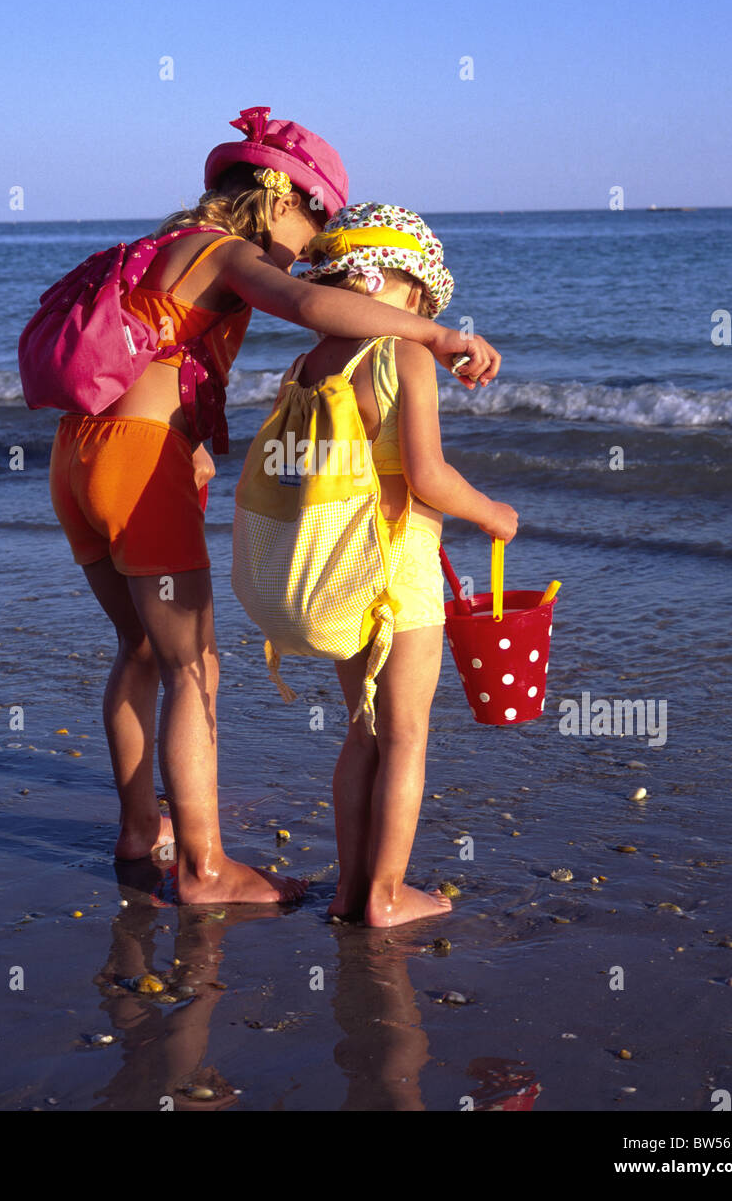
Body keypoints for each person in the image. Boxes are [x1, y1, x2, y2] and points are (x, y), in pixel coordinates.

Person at [48, 109, 503, 905]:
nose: (313, 240)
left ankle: (137, 829)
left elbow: (153, 359)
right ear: (276, 193)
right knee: (195, 667)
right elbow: (316, 308)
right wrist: (434, 337)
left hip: (78, 456)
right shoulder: (224, 252)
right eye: (317, 214)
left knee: (141, 650)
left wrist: (188, 439)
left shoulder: (158, 253)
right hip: (133, 461)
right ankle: (205, 869)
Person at [288, 203, 518, 926]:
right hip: (400, 572)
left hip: (332, 565)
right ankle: (387, 894)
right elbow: (427, 475)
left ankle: (352, 890)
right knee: (408, 734)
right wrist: (491, 514)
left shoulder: (309, 364)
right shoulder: (405, 355)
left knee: (365, 732)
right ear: (412, 292)